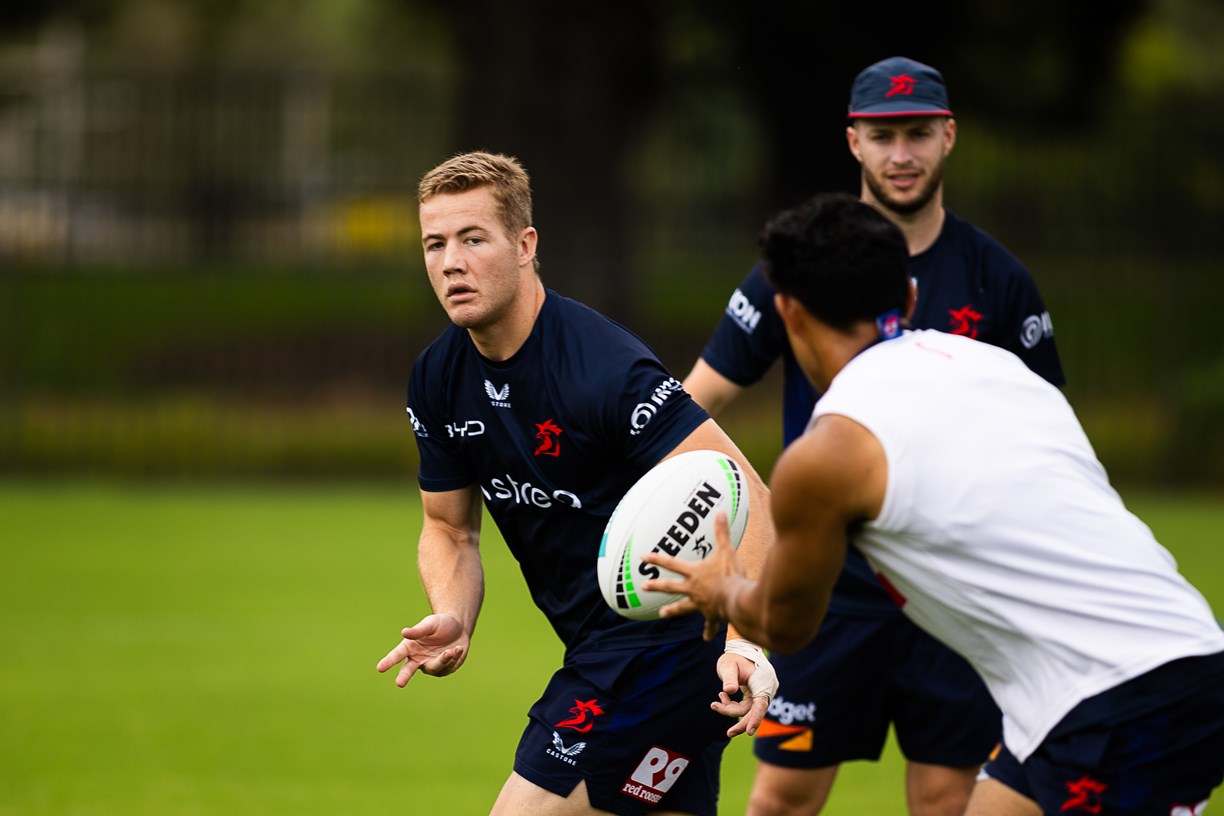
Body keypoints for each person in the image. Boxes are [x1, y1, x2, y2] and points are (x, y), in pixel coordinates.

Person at [646, 192, 1224, 816]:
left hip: (1121, 703)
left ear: (788, 312)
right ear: (911, 297)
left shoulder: (828, 454)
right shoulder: (997, 366)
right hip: (1156, 664)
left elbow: (785, 626)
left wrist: (722, 588)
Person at [684, 56, 1064, 815]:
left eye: (917, 133)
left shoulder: (996, 278)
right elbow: (696, 401)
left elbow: (1046, 436)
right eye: (883, 135)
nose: (901, 154)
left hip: (950, 590)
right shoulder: (800, 262)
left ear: (948, 136)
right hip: (829, 586)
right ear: (853, 140)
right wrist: (725, 502)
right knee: (780, 797)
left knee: (945, 799)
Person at [376, 151, 779, 816]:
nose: (451, 263)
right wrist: (454, 615)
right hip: (599, 645)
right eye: (435, 244)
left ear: (525, 245)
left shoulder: (604, 368)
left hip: (671, 648)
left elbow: (745, 491)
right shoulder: (438, 378)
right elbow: (449, 528)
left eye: (473, 239)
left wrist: (745, 640)